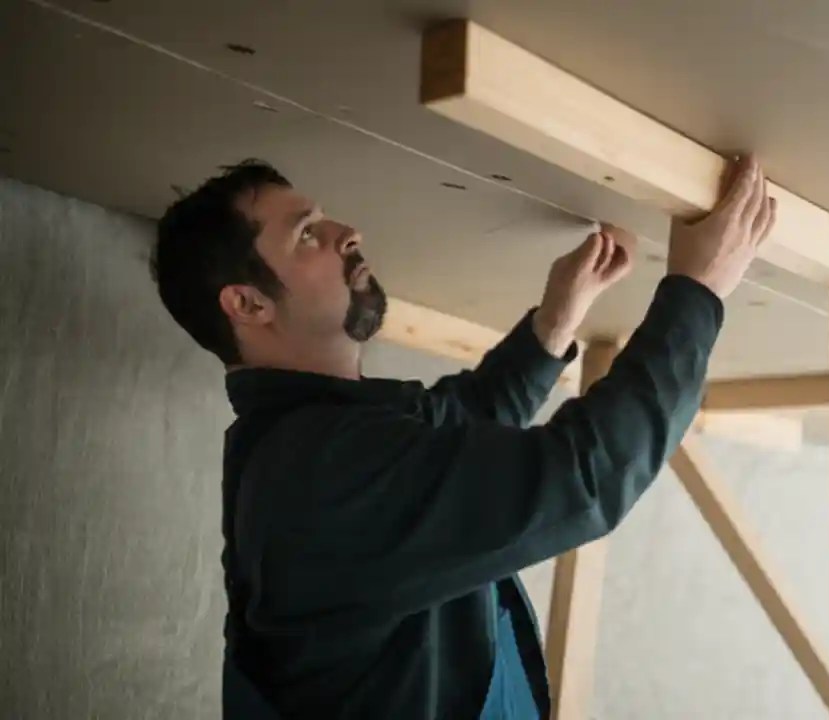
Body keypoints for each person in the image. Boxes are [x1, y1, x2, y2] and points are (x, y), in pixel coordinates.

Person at [150, 155, 776, 719]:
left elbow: (457, 426)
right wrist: (697, 292)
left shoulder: (319, 439)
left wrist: (553, 324)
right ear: (249, 305)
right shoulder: (320, 471)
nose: (347, 233)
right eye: (307, 234)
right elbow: (583, 477)